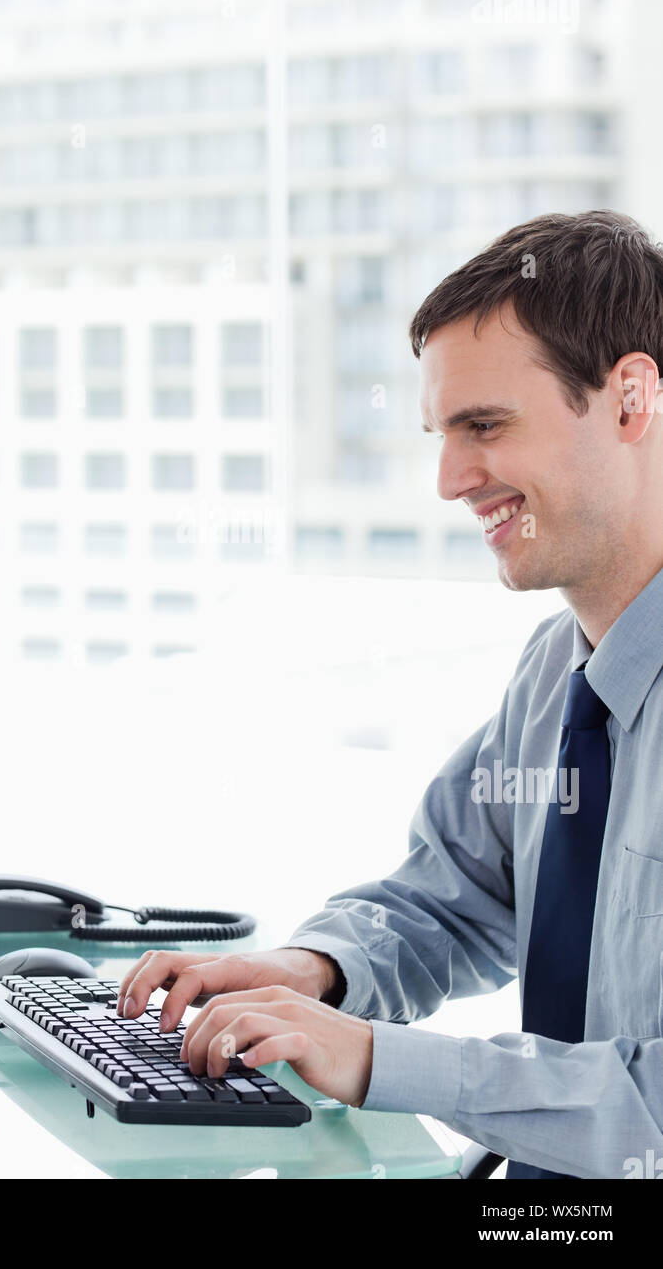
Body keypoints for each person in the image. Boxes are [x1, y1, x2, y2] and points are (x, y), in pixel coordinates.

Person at [117, 210, 663, 1179]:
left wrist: (376, 1058)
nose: (450, 479)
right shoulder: (555, 673)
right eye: (438, 434)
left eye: (482, 426)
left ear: (628, 396)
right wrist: (312, 973)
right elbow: (455, 896)